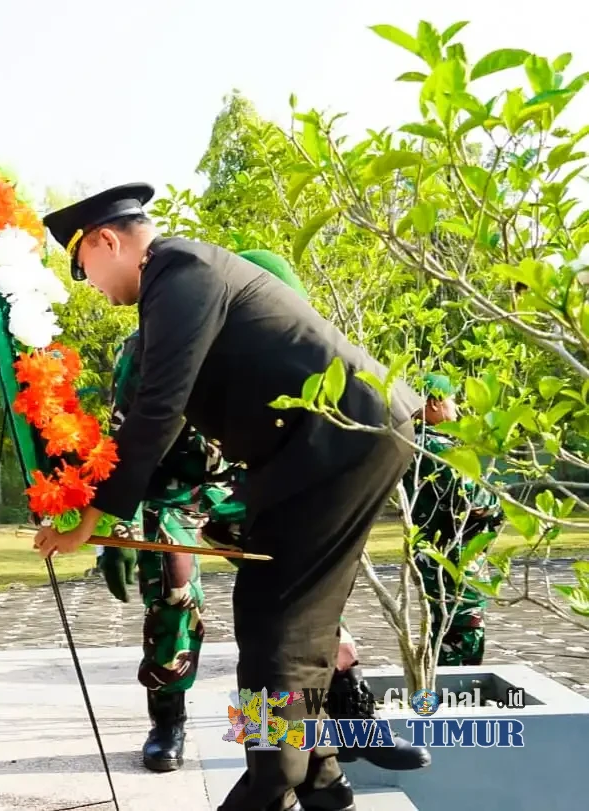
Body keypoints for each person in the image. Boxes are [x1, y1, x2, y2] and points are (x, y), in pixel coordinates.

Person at [34, 183, 422, 811]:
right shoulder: (179, 278)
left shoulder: (181, 272)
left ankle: (270, 785)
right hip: (319, 450)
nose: (92, 287)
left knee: (277, 625)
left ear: (106, 241)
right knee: (288, 623)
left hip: (337, 443)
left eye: (84, 270)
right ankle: (319, 777)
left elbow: (158, 409)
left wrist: (93, 516)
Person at [101, 249, 430, 775]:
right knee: (174, 598)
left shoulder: (290, 343)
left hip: (243, 484)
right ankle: (169, 721)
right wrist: (116, 520)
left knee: (307, 597)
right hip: (173, 492)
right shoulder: (150, 343)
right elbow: (125, 440)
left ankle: (346, 717)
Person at [403, 373, 503, 667]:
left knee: (441, 629)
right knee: (462, 635)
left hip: (434, 556)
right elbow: (474, 501)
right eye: (452, 399)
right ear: (435, 403)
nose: (456, 407)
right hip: (454, 559)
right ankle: (454, 693)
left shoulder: (410, 440)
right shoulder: (435, 447)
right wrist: (497, 502)